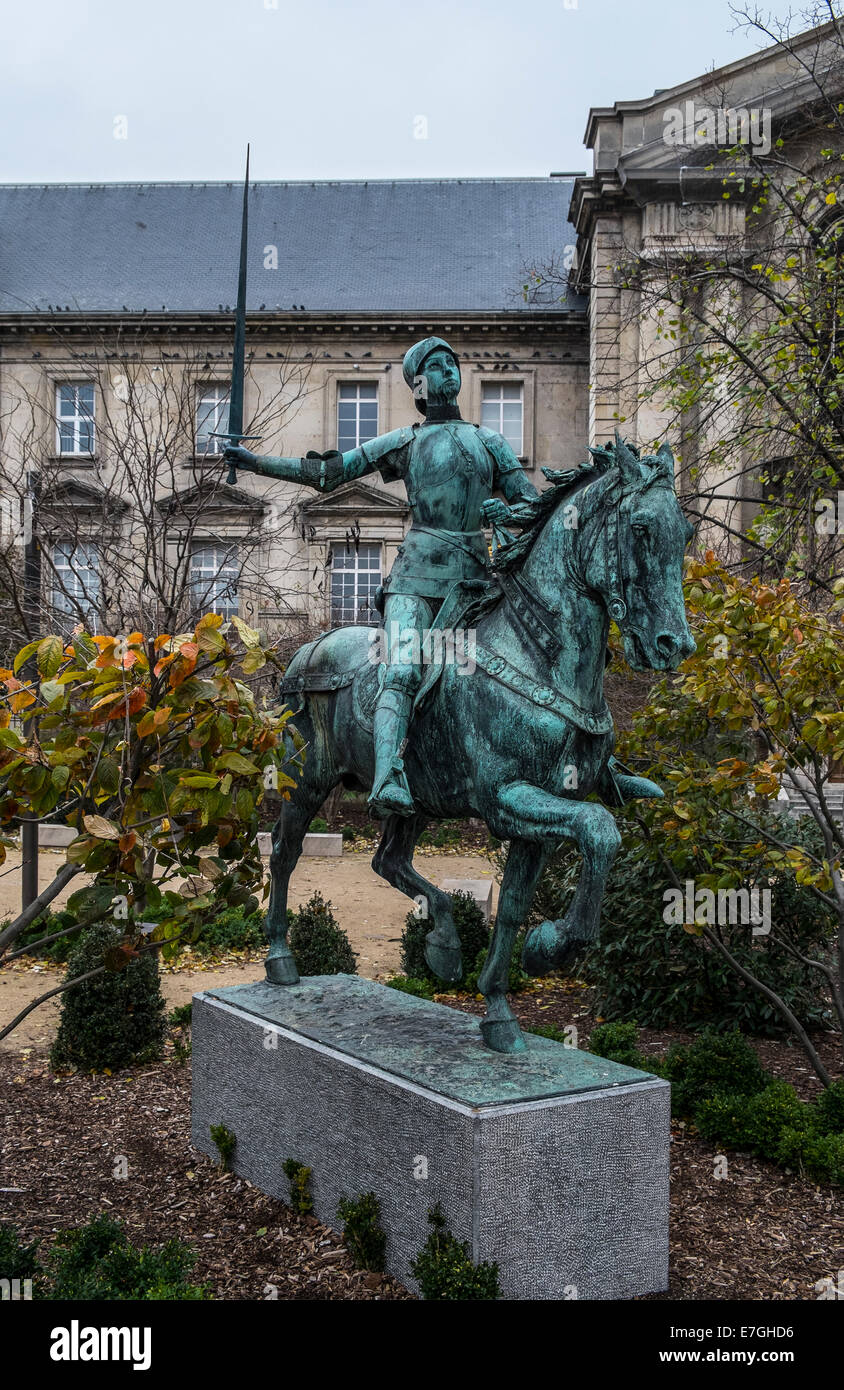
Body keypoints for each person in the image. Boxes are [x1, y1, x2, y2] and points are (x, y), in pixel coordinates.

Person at [224, 336, 539, 817]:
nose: (448, 372)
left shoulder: (490, 441)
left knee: (524, 662)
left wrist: (508, 511)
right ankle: (389, 775)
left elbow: (530, 506)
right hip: (414, 580)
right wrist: (256, 462)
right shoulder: (405, 442)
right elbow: (329, 473)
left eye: (452, 364)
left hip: (478, 582)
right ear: (418, 383)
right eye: (435, 366)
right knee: (404, 668)